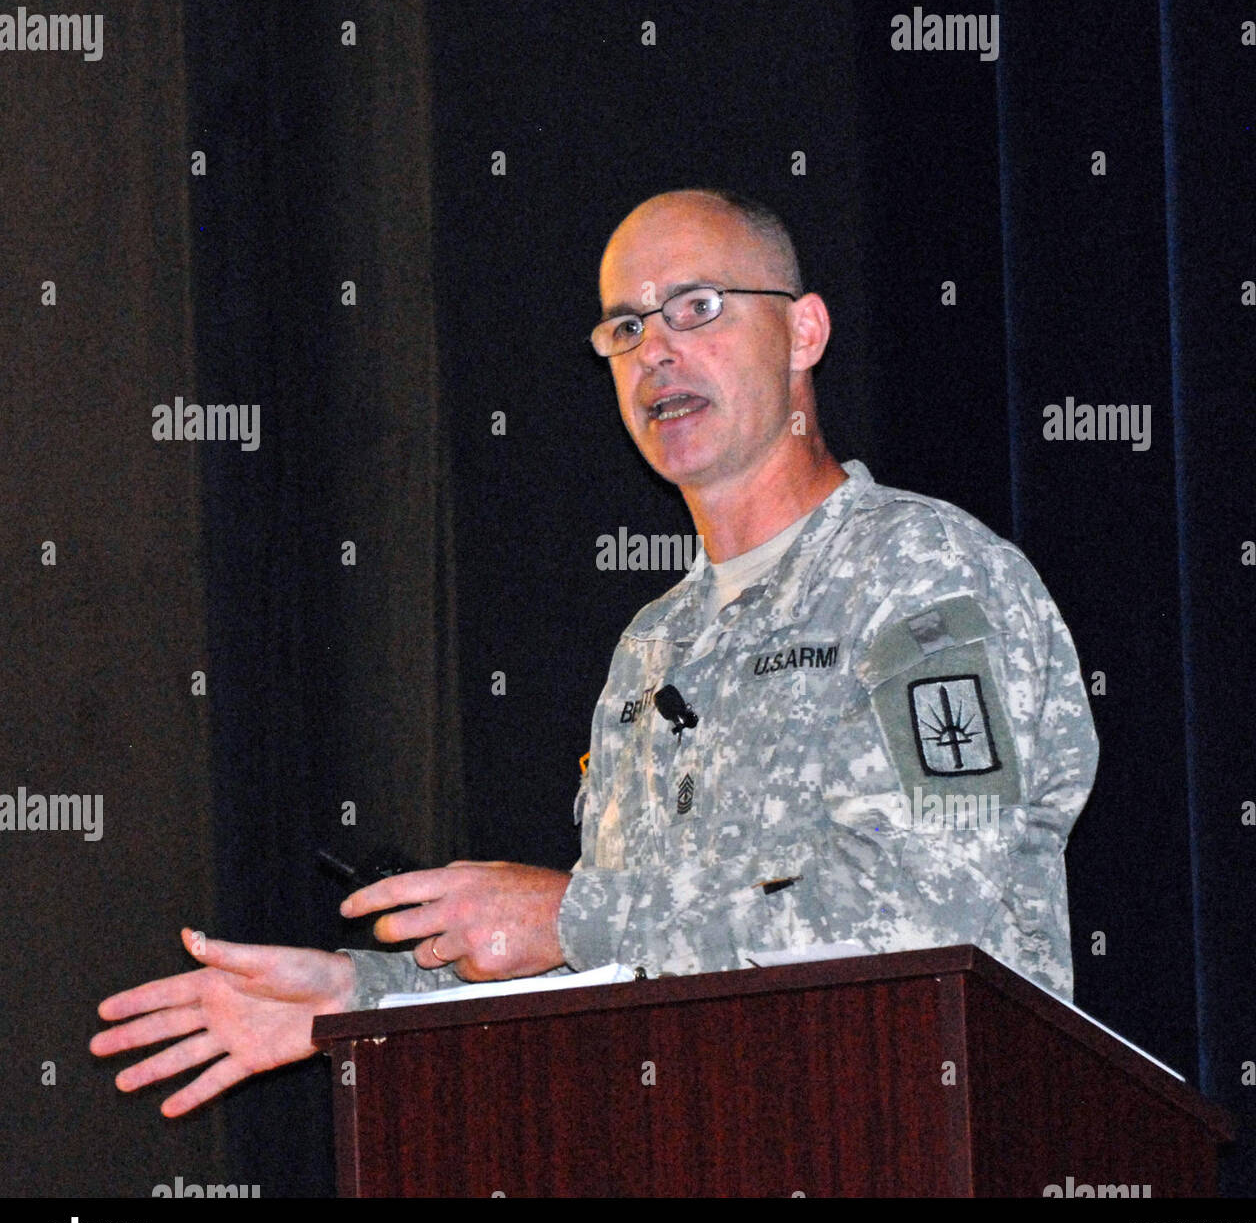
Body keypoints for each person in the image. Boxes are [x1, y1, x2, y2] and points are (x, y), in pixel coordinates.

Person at [91, 188, 1098, 1117]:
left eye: (696, 307)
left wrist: (573, 914)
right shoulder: (655, 646)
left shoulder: (923, 572)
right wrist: (361, 997)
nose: (655, 351)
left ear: (803, 330)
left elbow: (930, 918)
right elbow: (627, 964)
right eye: (626, 327)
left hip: (914, 1130)